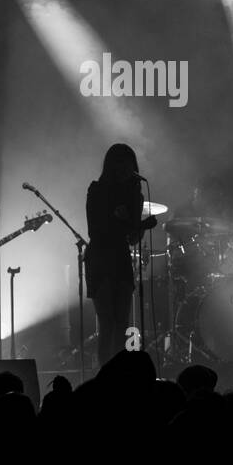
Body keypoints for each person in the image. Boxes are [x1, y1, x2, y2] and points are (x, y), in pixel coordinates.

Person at [85, 143, 157, 365]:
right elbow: (95, 231)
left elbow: (133, 238)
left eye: (130, 164)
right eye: (123, 163)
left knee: (122, 323)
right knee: (107, 323)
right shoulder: (96, 190)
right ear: (113, 165)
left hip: (120, 257)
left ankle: (118, 376)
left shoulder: (135, 195)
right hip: (100, 256)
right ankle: (105, 379)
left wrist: (142, 226)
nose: (128, 168)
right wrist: (124, 222)